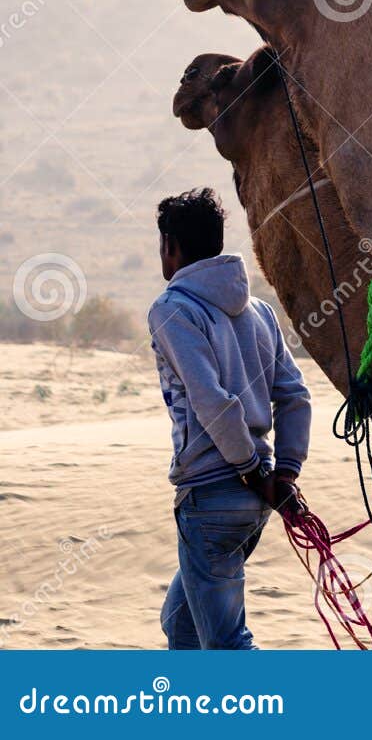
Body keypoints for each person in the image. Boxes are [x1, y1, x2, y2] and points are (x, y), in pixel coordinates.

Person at [149, 187, 311, 649]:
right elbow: (295, 395)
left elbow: (212, 401)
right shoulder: (259, 311)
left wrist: (254, 472)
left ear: (171, 247)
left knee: (226, 646)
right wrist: (284, 475)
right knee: (181, 625)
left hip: (214, 495)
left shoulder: (171, 309)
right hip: (254, 502)